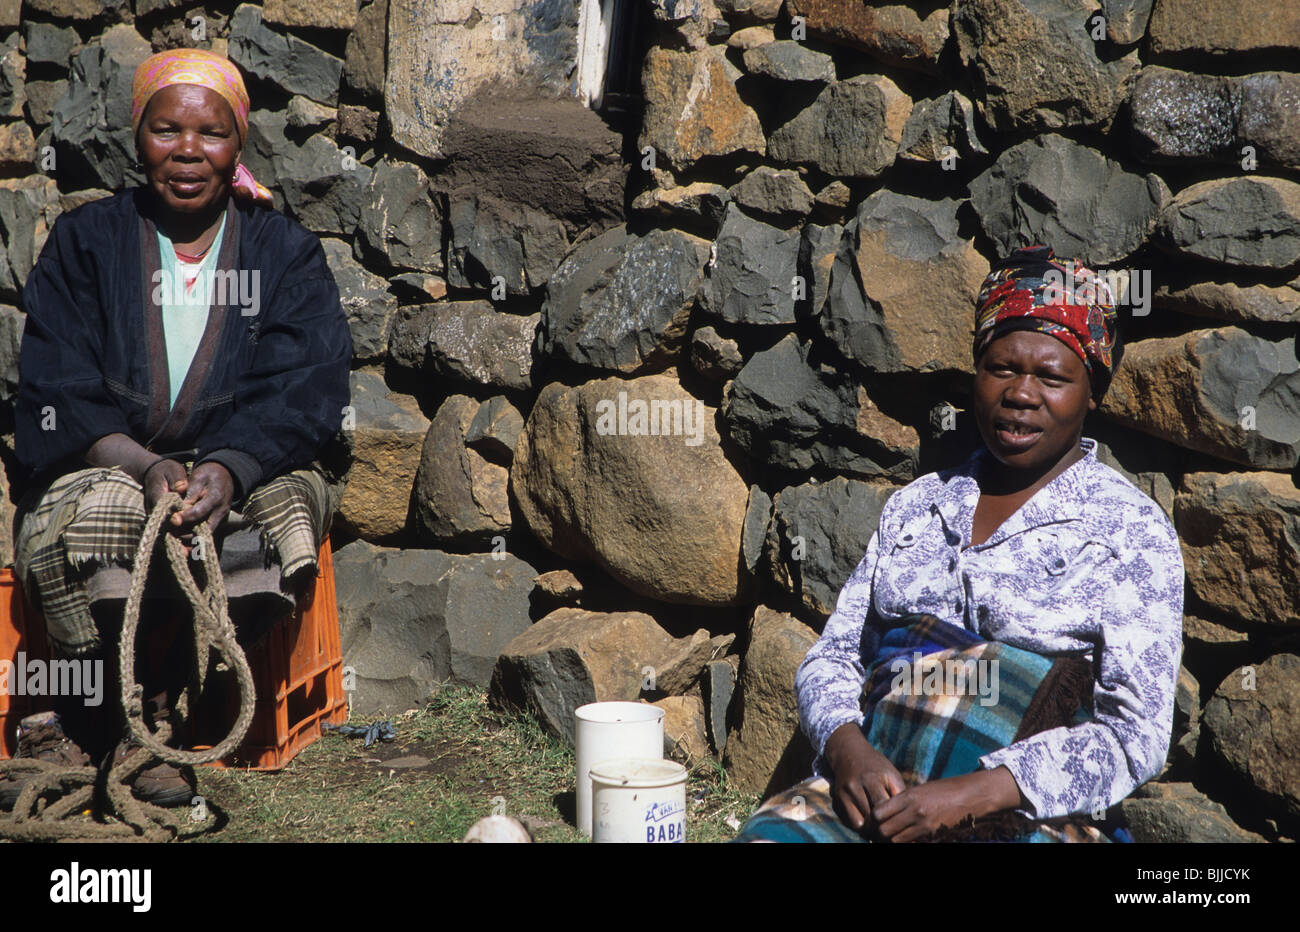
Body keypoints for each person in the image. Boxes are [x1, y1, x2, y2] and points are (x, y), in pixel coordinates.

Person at [735, 246, 1184, 843]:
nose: (1022, 393)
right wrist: (847, 749)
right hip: (881, 796)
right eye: (1002, 368)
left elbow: (1136, 735)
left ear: (1091, 393)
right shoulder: (919, 506)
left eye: (1052, 377)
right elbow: (834, 657)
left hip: (1029, 814)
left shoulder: (1131, 533)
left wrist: (974, 793)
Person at [1, 49, 351, 808]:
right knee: (111, 515)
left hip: (243, 466)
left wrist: (229, 467)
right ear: (138, 138)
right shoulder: (86, 245)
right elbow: (56, 384)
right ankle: (118, 712)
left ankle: (171, 701)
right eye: (167, 131)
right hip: (111, 466)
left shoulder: (282, 252)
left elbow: (308, 386)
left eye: (211, 134)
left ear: (239, 143)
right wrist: (140, 463)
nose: (189, 153)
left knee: (281, 515)